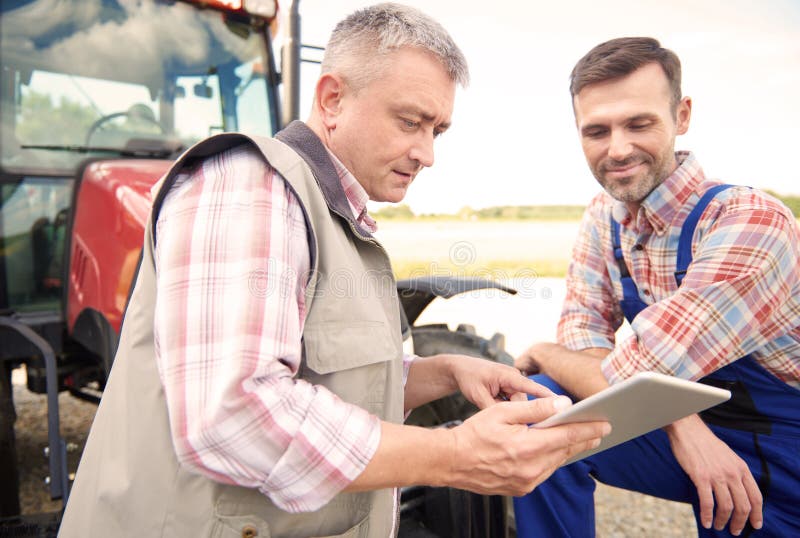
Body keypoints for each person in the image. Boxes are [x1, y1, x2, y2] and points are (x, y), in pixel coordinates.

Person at [59, 4, 609, 537]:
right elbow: (233, 414)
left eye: (436, 130)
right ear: (332, 99)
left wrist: (443, 372)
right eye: (410, 121)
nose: (426, 153)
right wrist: (454, 455)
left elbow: (330, 377)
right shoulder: (248, 185)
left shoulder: (335, 214)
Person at [513, 36, 800, 537]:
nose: (617, 149)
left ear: (681, 115)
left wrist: (542, 348)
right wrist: (683, 425)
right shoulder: (605, 216)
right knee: (538, 408)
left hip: (786, 447)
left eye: (638, 124)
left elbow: (636, 368)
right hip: (702, 432)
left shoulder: (751, 222)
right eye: (597, 131)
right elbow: (585, 340)